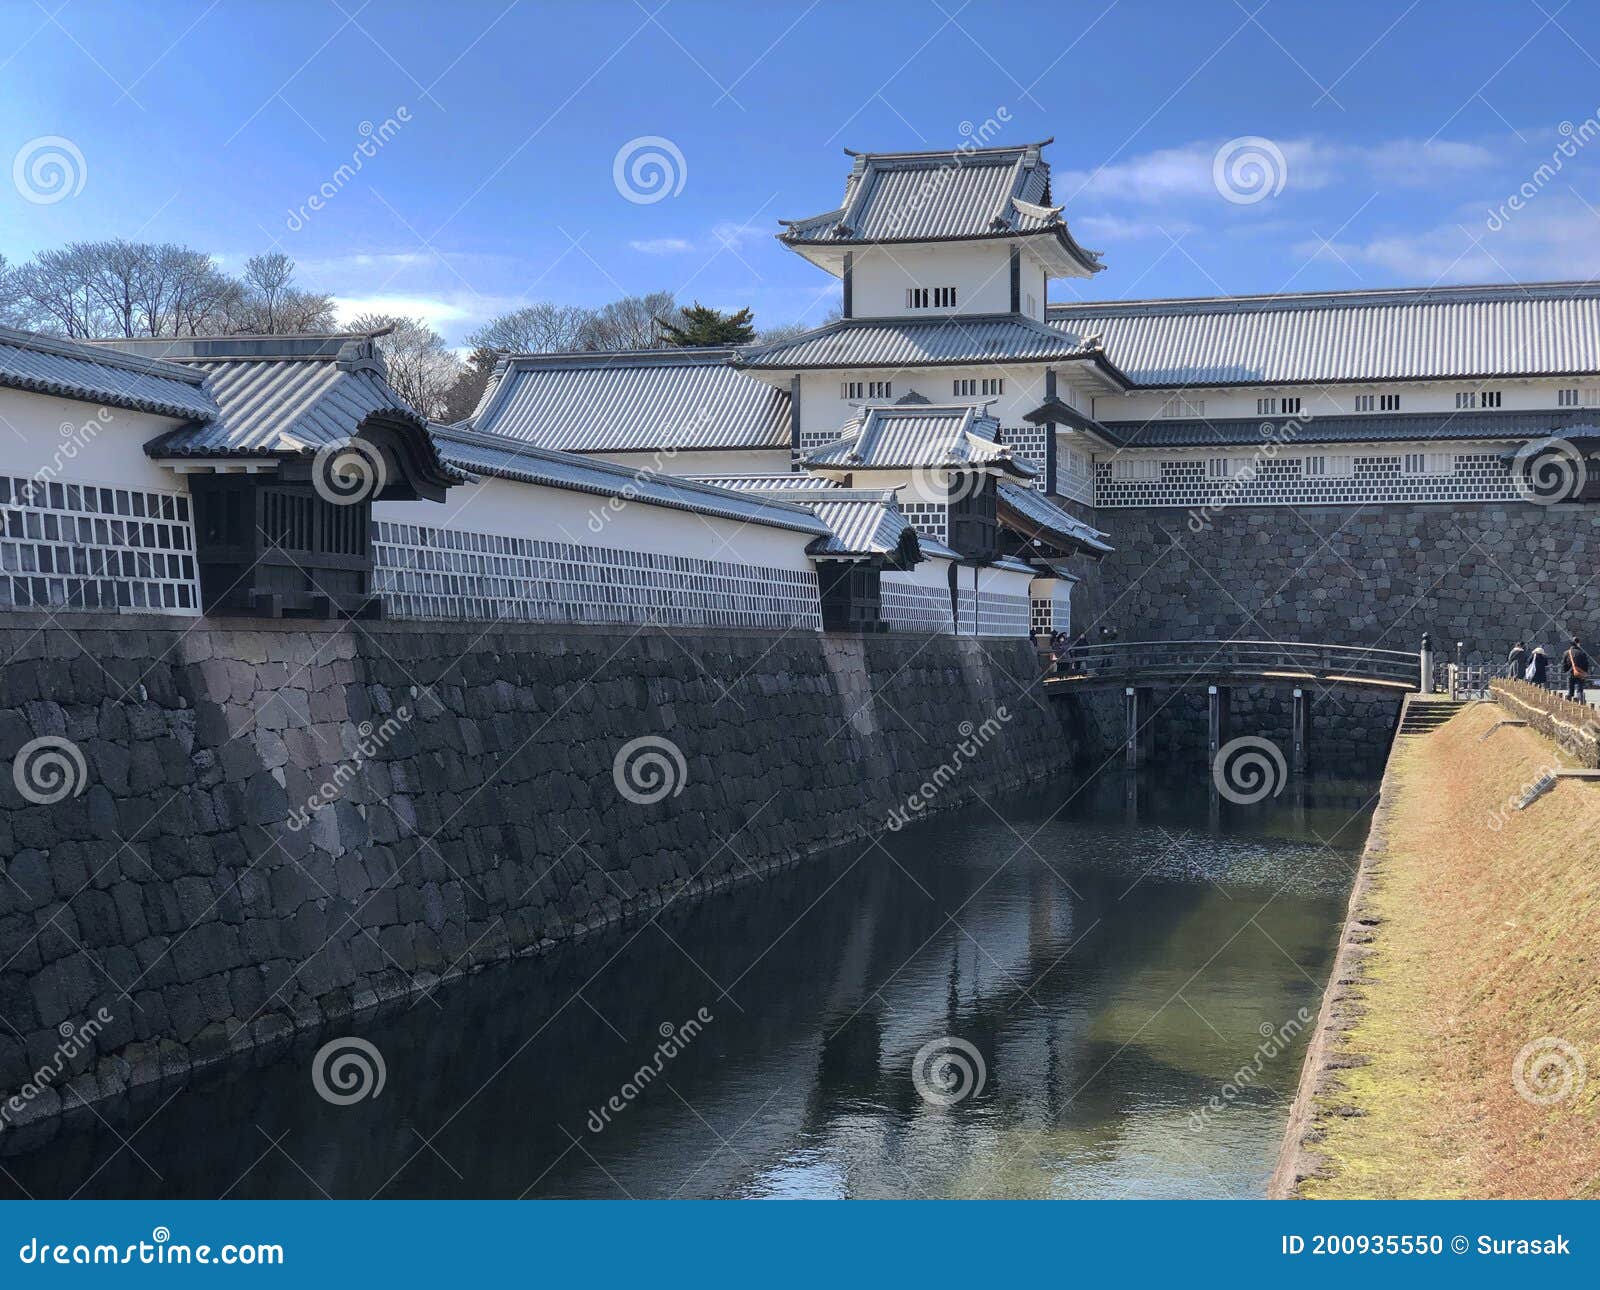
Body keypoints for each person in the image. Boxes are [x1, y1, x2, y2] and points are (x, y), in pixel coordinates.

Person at [1563, 637, 1591, 703]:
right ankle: (1580, 702)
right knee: (1580, 690)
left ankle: (1570, 703)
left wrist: (1565, 670)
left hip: (1571, 673)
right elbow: (1586, 664)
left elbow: (1564, 664)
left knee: (1570, 690)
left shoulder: (1566, 653)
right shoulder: (1582, 653)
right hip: (1580, 673)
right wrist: (1584, 672)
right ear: (1578, 644)